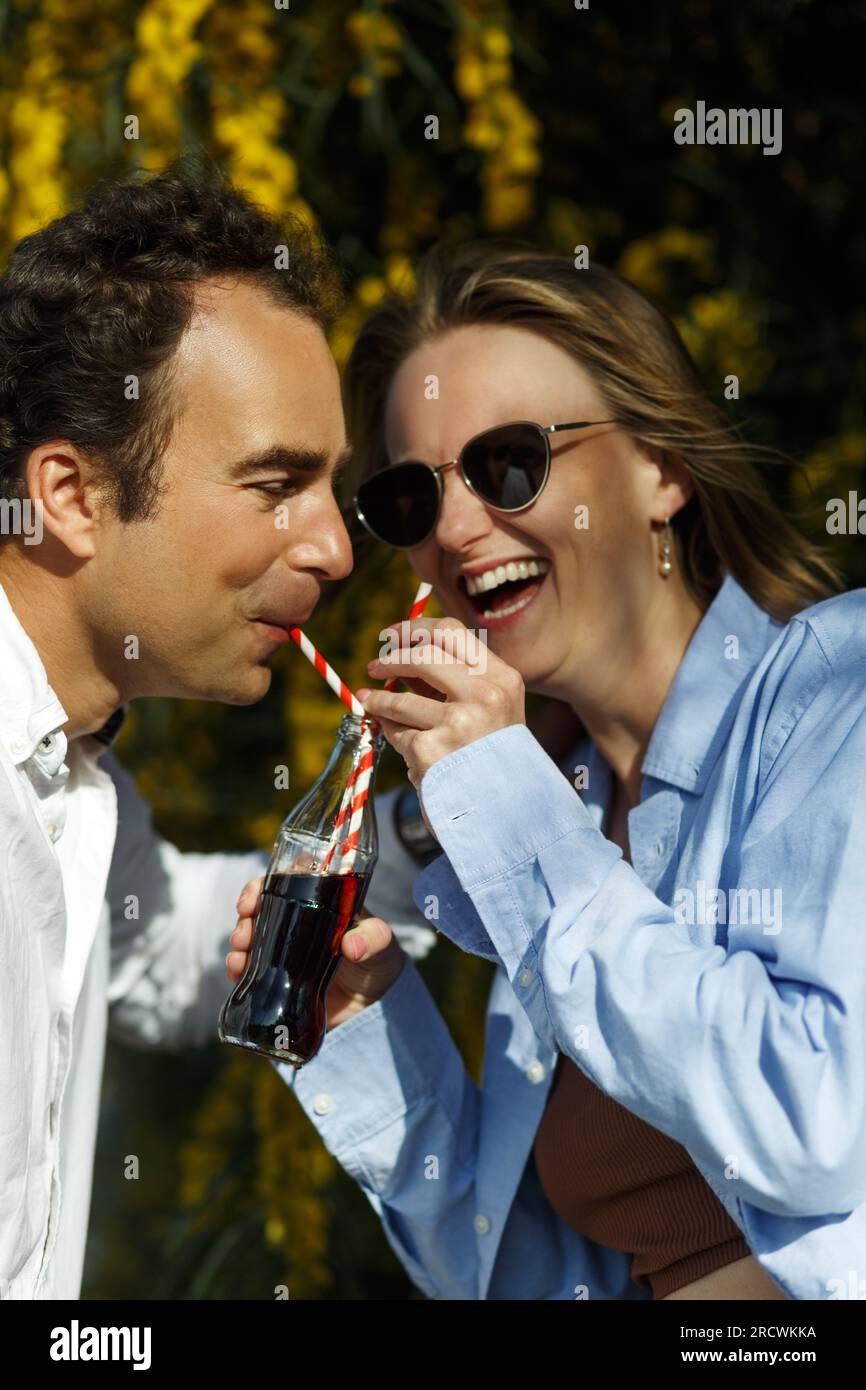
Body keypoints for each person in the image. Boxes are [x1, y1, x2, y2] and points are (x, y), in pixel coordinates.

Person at [231, 243, 866, 1301]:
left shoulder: (833, 689)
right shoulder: (557, 811)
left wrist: (510, 816)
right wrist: (371, 1037)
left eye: (508, 462)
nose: (454, 528)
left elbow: (811, 1118)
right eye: (407, 497)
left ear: (660, 468)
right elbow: (535, 1280)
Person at [0, 154, 406, 1300]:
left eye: (329, 485)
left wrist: (413, 852)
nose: (333, 547)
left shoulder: (76, 783)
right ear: (74, 498)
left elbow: (158, 947)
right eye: (275, 483)